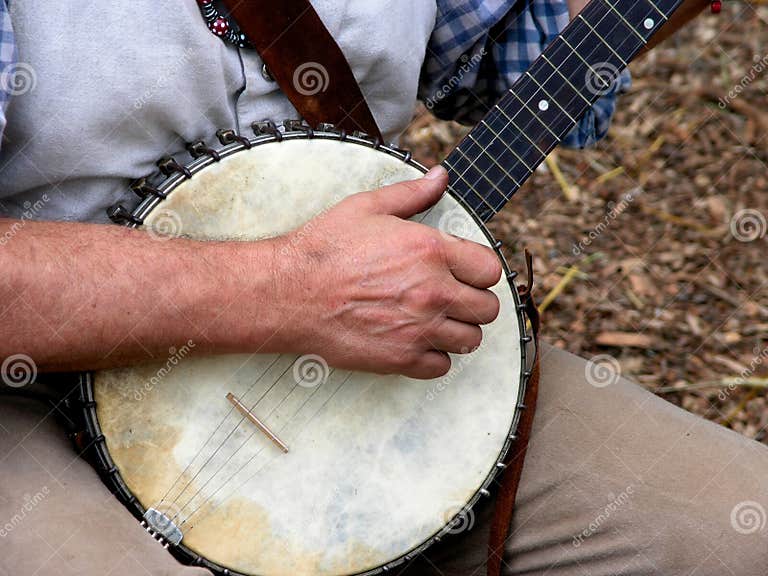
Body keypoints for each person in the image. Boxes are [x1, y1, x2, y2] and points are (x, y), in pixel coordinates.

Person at [0, 1, 766, 575]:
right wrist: (285, 289)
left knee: (742, 533)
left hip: (369, 355)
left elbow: (511, 44)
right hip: (30, 381)